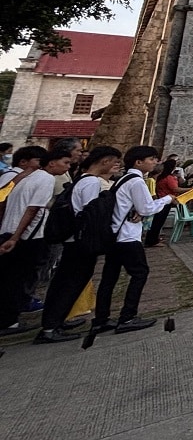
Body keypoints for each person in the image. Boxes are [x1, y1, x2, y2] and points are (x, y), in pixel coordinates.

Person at [36, 146, 123, 342]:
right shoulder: (91, 182)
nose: (115, 166)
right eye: (114, 161)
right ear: (104, 161)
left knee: (67, 282)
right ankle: (50, 327)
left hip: (75, 240)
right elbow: (92, 213)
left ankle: (57, 320)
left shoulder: (82, 179)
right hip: (81, 241)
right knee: (69, 283)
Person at [92, 146, 175, 334]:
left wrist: (137, 211)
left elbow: (131, 207)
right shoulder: (136, 181)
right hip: (128, 236)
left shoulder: (122, 179)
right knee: (140, 273)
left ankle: (101, 319)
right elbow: (146, 208)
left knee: (109, 279)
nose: (155, 162)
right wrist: (167, 199)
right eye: (152, 159)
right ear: (138, 162)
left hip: (115, 235)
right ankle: (127, 317)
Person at [0, 145, 70, 334]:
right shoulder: (45, 179)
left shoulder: (26, 177)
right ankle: (9, 320)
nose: (67, 168)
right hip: (28, 236)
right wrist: (17, 237)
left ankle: (8, 317)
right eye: (65, 163)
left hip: (10, 230)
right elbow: (34, 208)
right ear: (52, 163)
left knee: (10, 278)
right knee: (20, 278)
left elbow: (5, 200)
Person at [144, 156, 181, 246]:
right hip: (162, 201)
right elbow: (174, 189)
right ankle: (152, 240)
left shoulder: (160, 178)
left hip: (163, 201)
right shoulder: (161, 179)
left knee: (158, 223)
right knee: (157, 223)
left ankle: (154, 238)